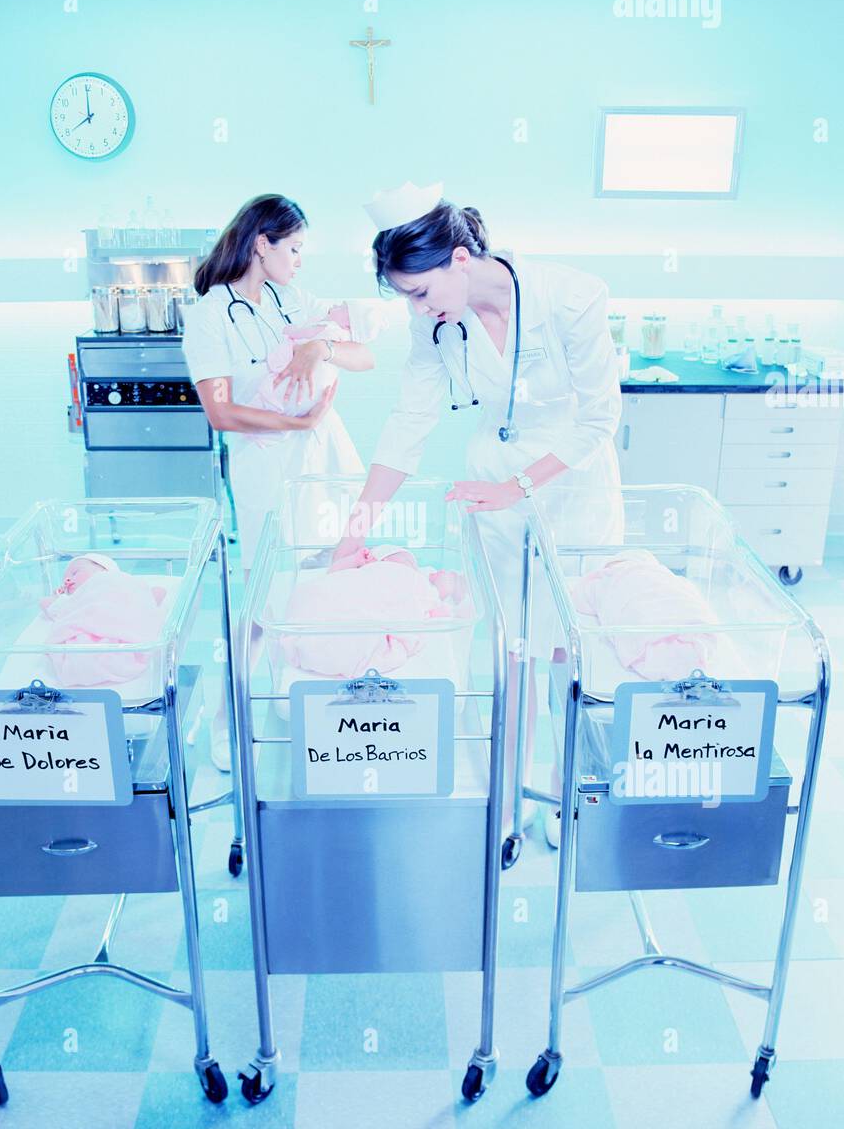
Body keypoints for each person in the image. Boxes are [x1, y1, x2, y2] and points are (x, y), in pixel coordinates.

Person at [334, 182, 623, 846]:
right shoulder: (435, 319)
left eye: (420, 291)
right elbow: (409, 420)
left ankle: (565, 791)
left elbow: (599, 418)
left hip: (571, 478)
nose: (416, 307)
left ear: (458, 260)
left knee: (565, 647)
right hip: (495, 481)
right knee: (512, 649)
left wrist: (520, 486)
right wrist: (355, 530)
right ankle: (509, 791)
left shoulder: (569, 297)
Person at [183, 193, 375, 766]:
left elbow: (364, 356)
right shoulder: (209, 314)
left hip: (324, 455)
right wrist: (294, 420)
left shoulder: (294, 299)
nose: (299, 260)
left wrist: (321, 346)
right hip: (266, 462)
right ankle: (225, 719)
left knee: (324, 577)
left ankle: (302, 701)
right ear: (260, 243)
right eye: (292, 248)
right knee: (264, 597)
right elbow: (219, 412)